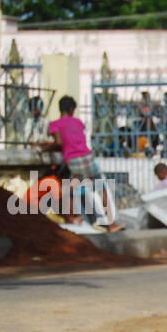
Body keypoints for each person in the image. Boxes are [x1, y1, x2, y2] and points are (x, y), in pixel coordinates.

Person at [34, 95, 122, 231]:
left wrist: (43, 148)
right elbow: (75, 137)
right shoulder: (78, 122)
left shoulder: (55, 124)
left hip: (74, 160)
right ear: (71, 109)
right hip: (87, 156)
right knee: (101, 188)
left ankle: (71, 218)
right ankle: (111, 223)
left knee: (68, 189)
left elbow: (59, 143)